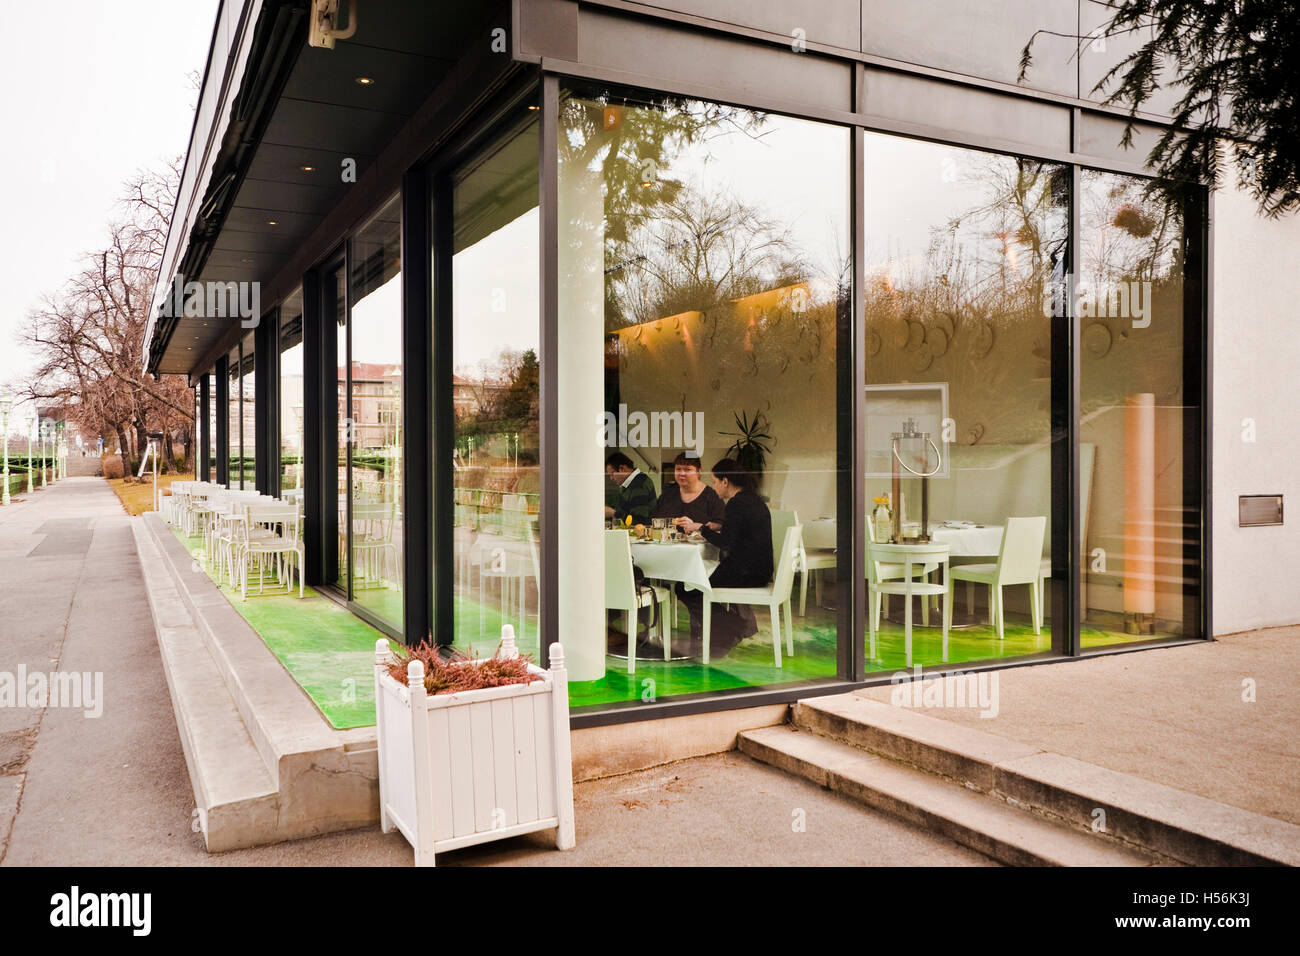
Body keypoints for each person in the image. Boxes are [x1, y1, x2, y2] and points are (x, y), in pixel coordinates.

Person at [675, 458, 773, 658]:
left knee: (687, 586)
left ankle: (731, 625)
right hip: (759, 569)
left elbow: (726, 543)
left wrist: (700, 528)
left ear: (725, 481)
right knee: (694, 583)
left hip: (747, 572)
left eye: (715, 481)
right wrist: (717, 527)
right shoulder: (751, 499)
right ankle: (725, 629)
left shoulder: (736, 504)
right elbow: (740, 531)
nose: (713, 486)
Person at [652, 450, 725, 528]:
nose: (682, 473)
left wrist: (697, 527)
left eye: (688, 469)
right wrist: (672, 522)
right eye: (678, 469)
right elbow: (653, 521)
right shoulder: (667, 495)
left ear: (699, 472)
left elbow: (721, 526)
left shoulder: (713, 497)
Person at [604, 452, 656, 526]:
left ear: (622, 468)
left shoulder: (639, 484)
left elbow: (639, 521)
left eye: (612, 474)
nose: (611, 478)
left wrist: (613, 513)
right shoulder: (629, 485)